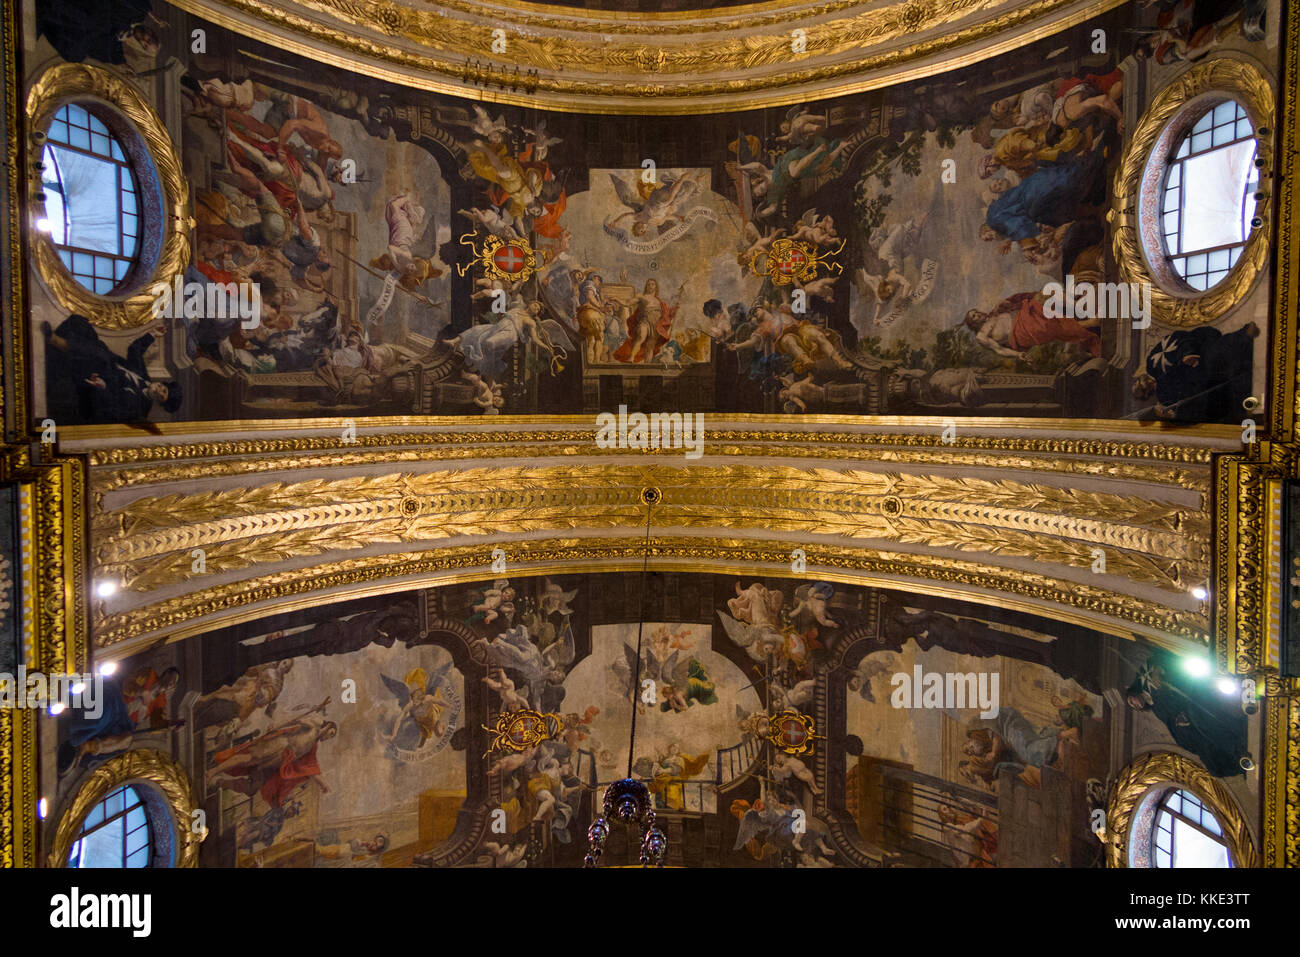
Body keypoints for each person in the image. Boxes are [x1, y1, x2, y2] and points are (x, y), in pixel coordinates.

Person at [42, 314, 182, 423]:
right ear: (162, 383)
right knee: (81, 324)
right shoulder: (143, 377)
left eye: (162, 396)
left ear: (160, 403)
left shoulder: (140, 409)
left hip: (93, 384)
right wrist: (152, 335)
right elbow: (135, 350)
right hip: (99, 356)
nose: (159, 391)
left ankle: (55, 341)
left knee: (98, 355)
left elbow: (112, 409)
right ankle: (59, 346)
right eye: (163, 389)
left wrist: (102, 386)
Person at [964, 290, 1101, 359]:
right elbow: (999, 350)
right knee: (1048, 326)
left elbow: (1014, 304)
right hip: (1021, 333)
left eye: (976, 312)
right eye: (974, 316)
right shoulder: (981, 336)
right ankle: (1088, 323)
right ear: (972, 323)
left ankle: (1082, 306)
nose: (978, 314)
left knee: (1045, 294)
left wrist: (1005, 304)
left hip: (1025, 315)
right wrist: (1017, 355)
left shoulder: (993, 313)